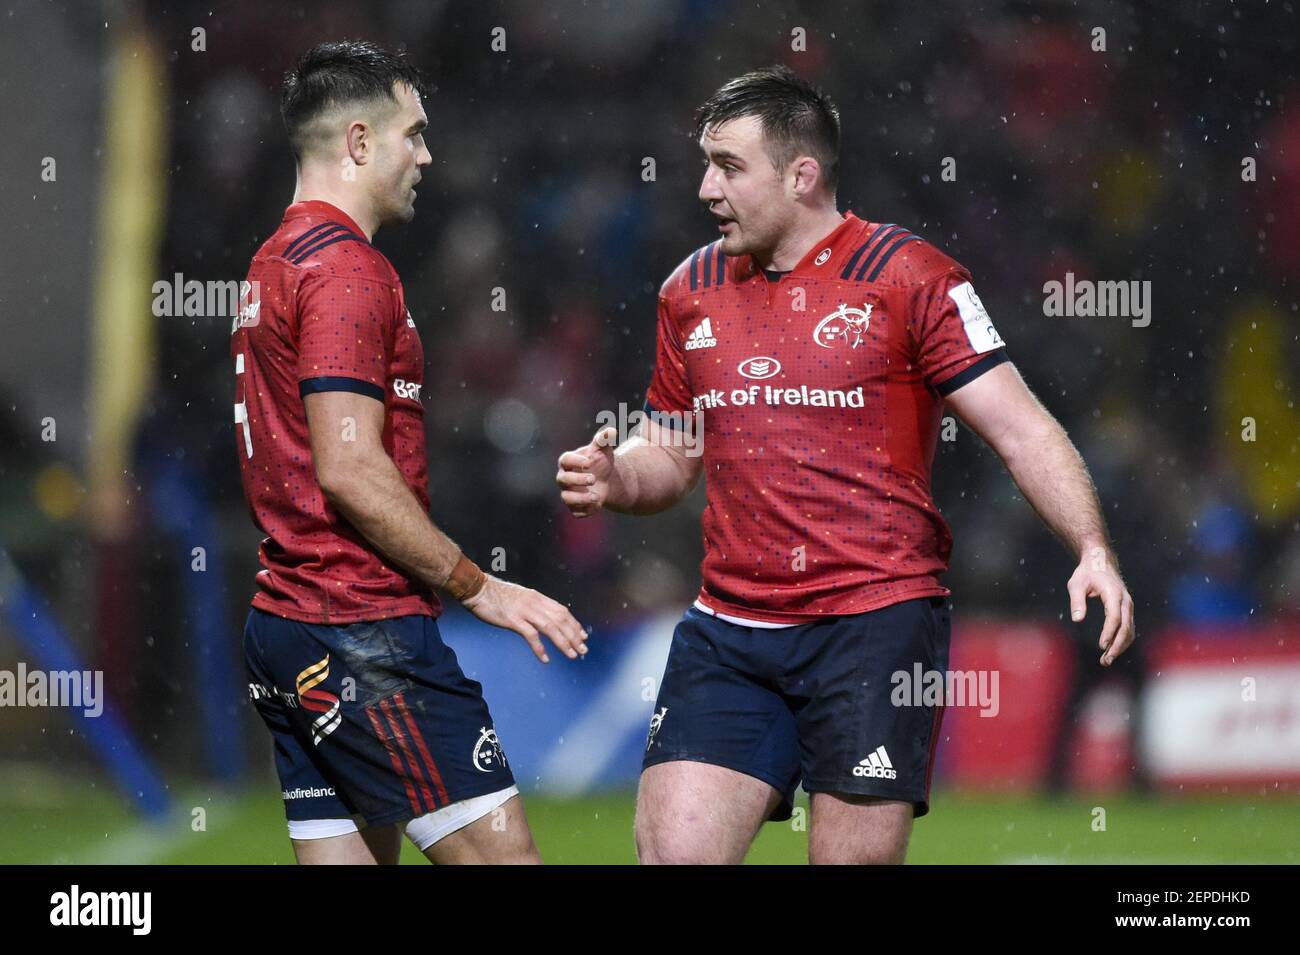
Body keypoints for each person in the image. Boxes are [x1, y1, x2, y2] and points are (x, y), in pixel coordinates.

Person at [556, 65, 1135, 864]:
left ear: (802, 175)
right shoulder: (686, 289)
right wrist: (619, 476)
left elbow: (1022, 429)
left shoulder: (912, 278)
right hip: (731, 630)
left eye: (728, 166)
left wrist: (1092, 548)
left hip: (875, 626)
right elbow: (673, 452)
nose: (703, 190)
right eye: (703, 164)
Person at [233, 40, 587, 865]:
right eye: (413, 134)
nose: (427, 155)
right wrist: (480, 586)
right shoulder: (349, 271)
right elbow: (349, 465)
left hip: (287, 619)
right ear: (359, 141)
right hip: (362, 628)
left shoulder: (271, 262)